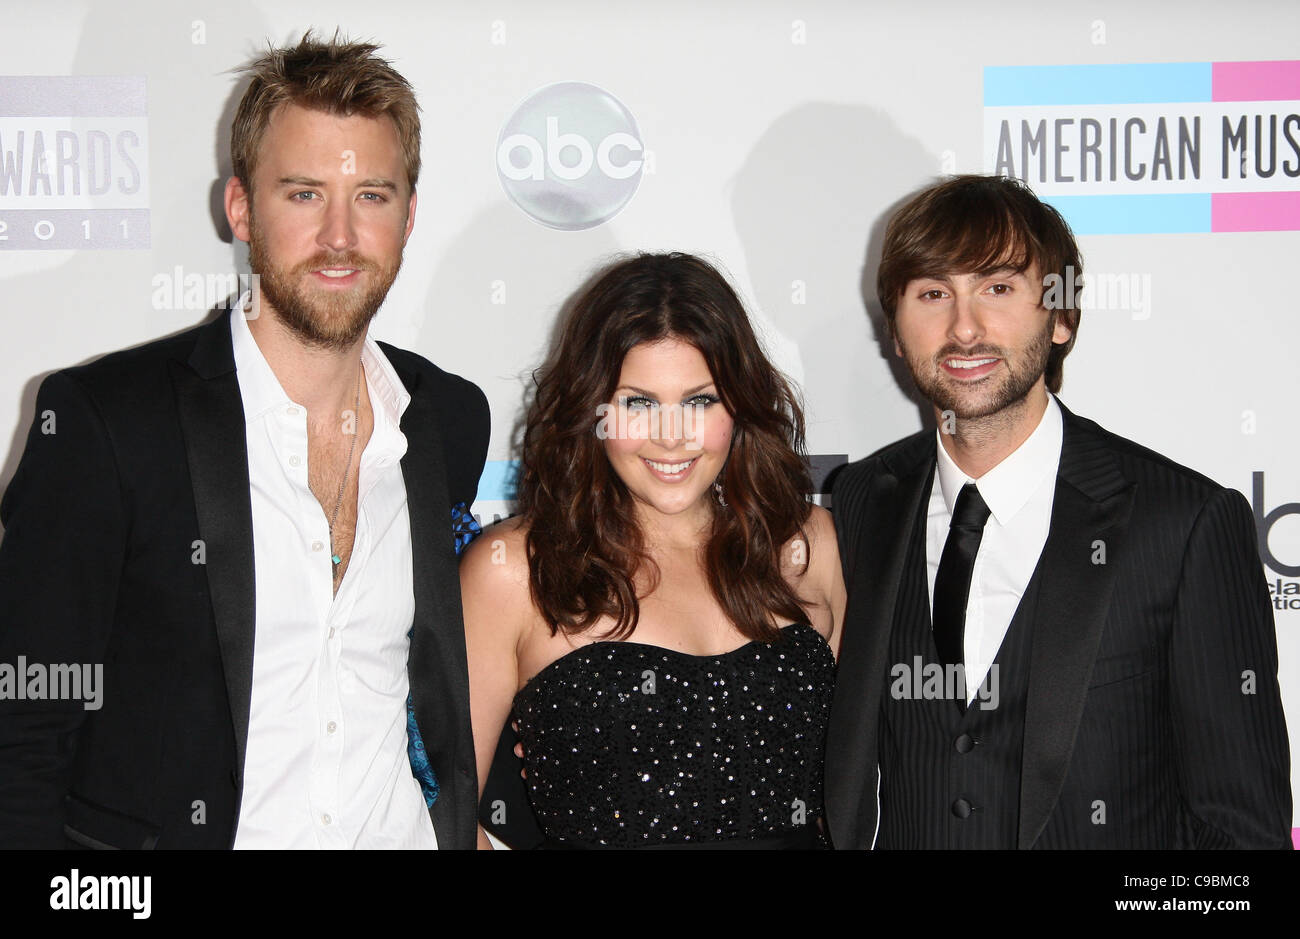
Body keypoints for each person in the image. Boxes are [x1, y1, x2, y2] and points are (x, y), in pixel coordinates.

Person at [0, 33, 488, 849]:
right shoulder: (108, 423)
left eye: (370, 195)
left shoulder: (447, 418)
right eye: (303, 194)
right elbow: (20, 736)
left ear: (408, 215)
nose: (339, 236)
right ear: (239, 207)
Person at [825, 174, 1291, 849]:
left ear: (1063, 316)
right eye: (932, 294)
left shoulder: (1182, 523)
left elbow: (1242, 840)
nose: (964, 327)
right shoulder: (866, 498)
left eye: (999, 288)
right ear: (895, 332)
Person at [461, 252, 845, 849]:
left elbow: (868, 784)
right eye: (638, 402)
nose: (671, 436)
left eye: (700, 400)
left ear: (739, 405)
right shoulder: (515, 572)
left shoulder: (810, 546)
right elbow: (446, 813)